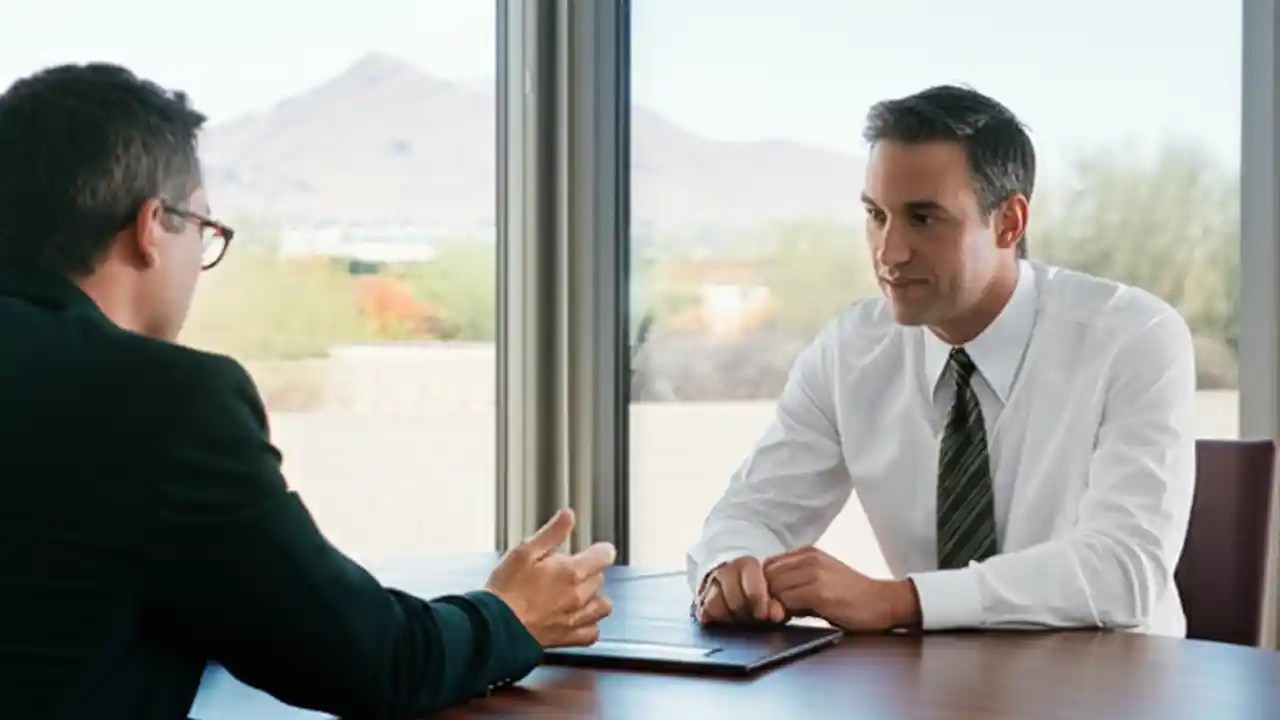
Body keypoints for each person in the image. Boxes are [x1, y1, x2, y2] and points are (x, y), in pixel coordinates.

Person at [0, 63, 614, 719]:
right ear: (152, 228)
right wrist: (510, 615)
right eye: (203, 228)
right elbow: (369, 659)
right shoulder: (157, 401)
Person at [688, 85, 1196, 637]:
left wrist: (900, 602)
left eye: (923, 219)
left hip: (1117, 690)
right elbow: (751, 514)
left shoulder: (1135, 337)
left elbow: (1124, 573)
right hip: (933, 689)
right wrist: (732, 568)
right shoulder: (848, 354)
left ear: (1008, 222)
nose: (889, 252)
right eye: (876, 215)